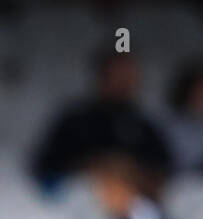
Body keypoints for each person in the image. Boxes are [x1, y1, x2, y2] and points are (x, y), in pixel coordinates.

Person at [30, 52, 171, 194]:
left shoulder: (145, 126)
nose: (124, 82)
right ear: (102, 77)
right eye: (117, 75)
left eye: (129, 76)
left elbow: (165, 173)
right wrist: (91, 168)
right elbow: (46, 170)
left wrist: (132, 173)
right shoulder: (75, 121)